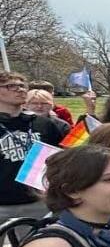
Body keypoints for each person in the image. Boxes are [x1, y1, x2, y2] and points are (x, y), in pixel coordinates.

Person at [0, 71, 67, 222]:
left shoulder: (43, 123)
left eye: (22, 86)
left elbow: (63, 157)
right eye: (11, 86)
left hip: (37, 202)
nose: (20, 89)